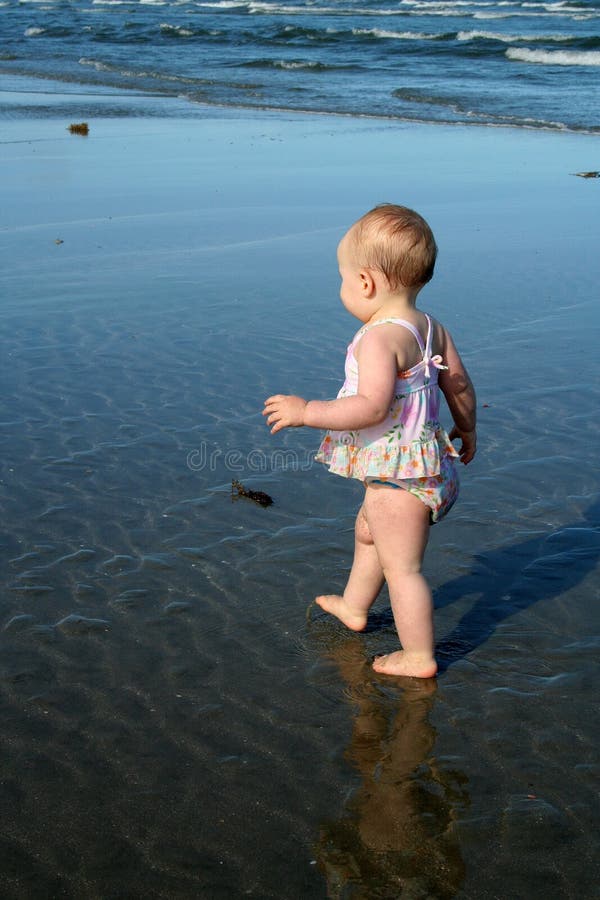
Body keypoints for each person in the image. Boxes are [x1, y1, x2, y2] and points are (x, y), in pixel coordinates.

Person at [263, 204, 476, 678]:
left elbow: (372, 406)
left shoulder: (378, 340)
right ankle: (355, 607)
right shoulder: (431, 328)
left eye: (342, 279)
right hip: (427, 465)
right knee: (368, 533)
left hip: (399, 478)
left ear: (365, 283)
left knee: (404, 570)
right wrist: (469, 427)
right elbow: (458, 383)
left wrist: (307, 412)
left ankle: (418, 655)